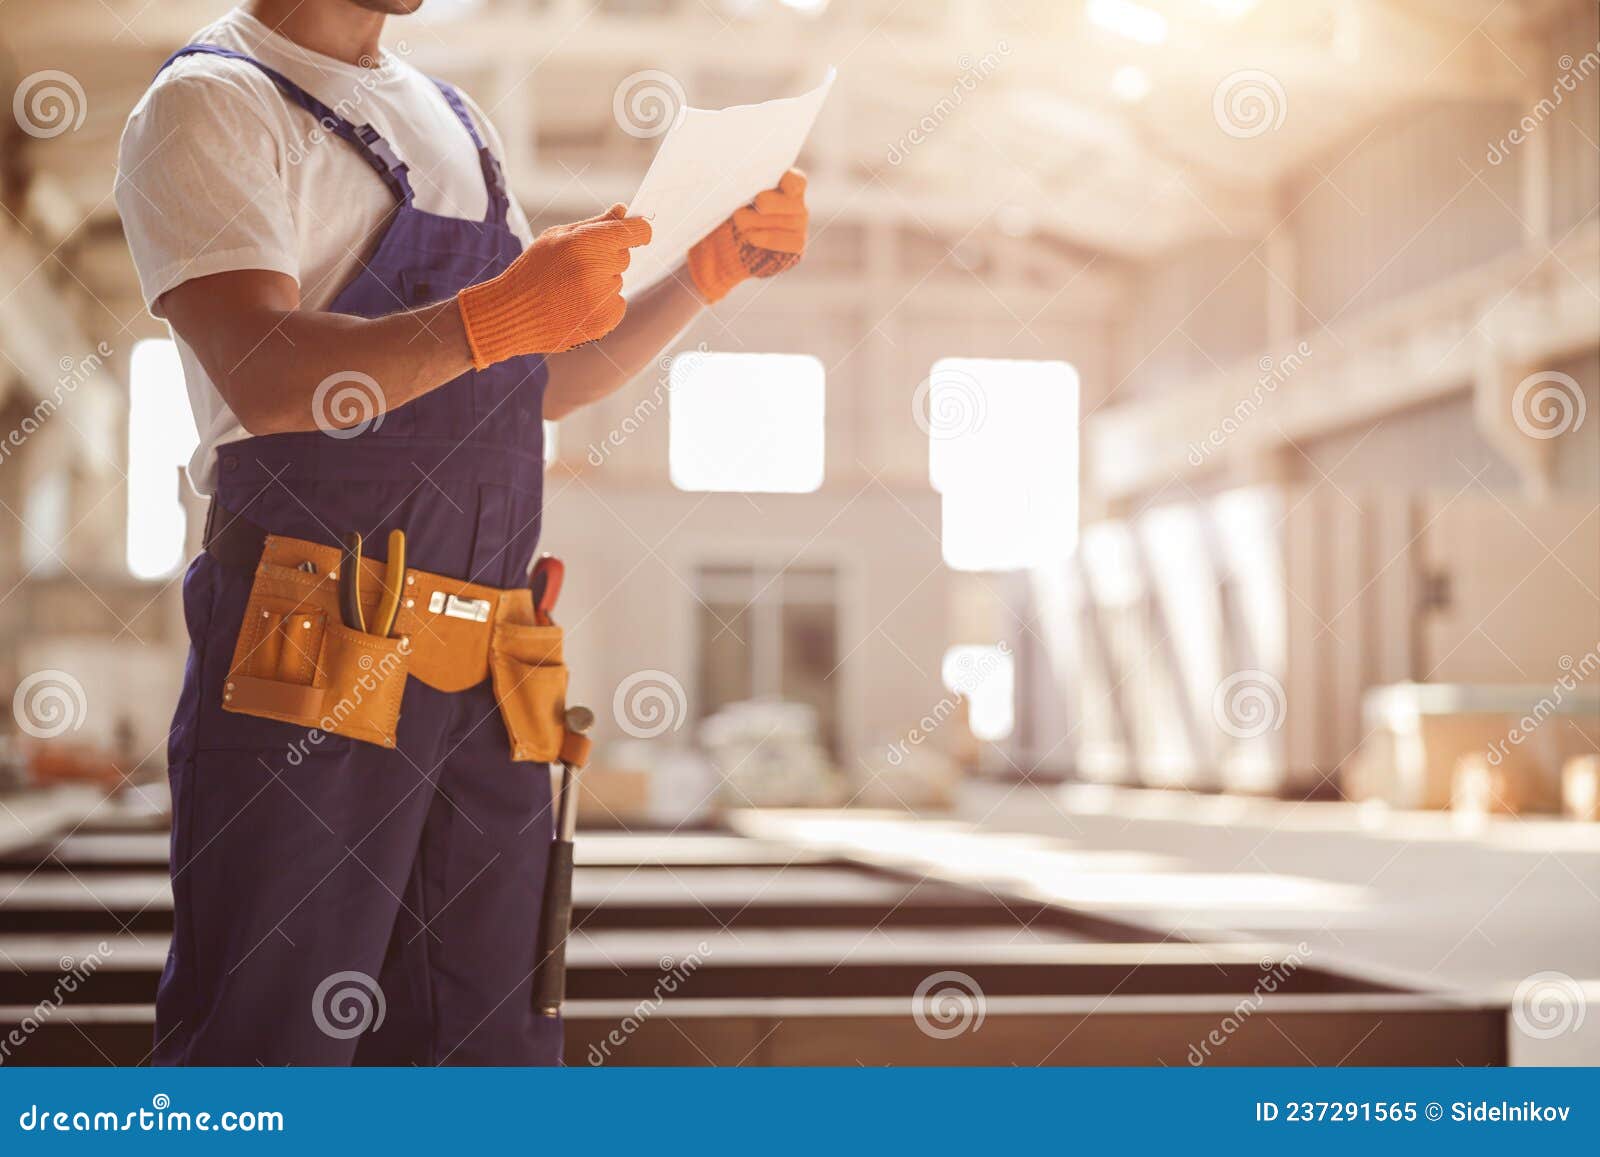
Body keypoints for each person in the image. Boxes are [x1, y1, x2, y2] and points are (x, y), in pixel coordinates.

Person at [113, 0, 809, 1065]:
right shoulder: (213, 101)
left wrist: (697, 278)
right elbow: (264, 373)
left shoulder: (453, 120)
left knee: (485, 1032)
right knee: (270, 1031)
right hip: (320, 642)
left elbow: (543, 379)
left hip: (488, 663)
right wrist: (492, 317)